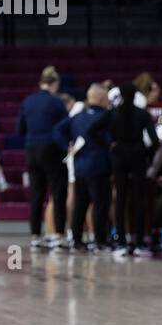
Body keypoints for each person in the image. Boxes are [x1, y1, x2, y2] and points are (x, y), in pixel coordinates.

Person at [85, 82, 159, 257]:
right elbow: (155, 140)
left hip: (118, 157)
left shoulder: (113, 113)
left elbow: (91, 131)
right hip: (138, 157)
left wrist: (109, 144)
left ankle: (121, 243)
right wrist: (147, 153)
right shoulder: (142, 114)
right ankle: (140, 242)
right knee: (139, 199)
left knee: (120, 198)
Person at [18, 66, 70, 248]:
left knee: (36, 195)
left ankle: (35, 236)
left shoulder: (27, 101)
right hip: (52, 150)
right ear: (54, 84)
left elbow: (20, 129)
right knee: (58, 193)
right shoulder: (56, 103)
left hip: (31, 149)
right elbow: (66, 127)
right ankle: (58, 235)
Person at [56, 83, 112, 250]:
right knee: (100, 204)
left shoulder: (78, 116)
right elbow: (109, 140)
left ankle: (77, 239)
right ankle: (100, 240)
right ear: (102, 98)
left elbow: (57, 130)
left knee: (80, 205)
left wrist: (66, 145)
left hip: (80, 166)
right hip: (99, 165)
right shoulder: (105, 117)